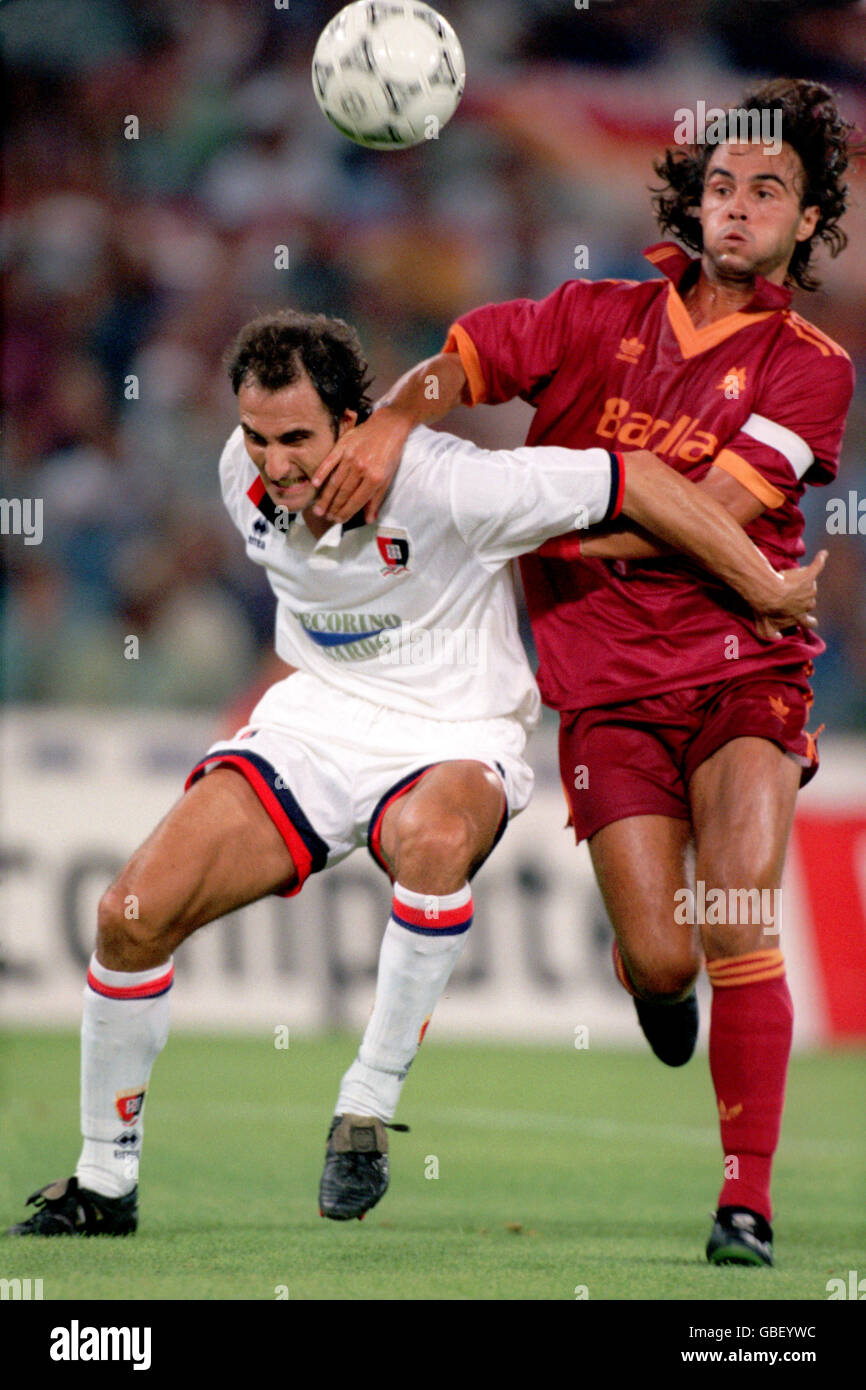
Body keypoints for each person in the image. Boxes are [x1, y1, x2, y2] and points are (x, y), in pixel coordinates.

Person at [7, 308, 820, 1238]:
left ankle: (365, 1105)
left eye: (299, 440)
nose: (275, 465)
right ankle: (105, 1186)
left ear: (359, 421)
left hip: (456, 731)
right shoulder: (240, 472)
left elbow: (633, 477)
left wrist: (759, 582)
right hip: (314, 724)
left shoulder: (455, 486)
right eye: (257, 437)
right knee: (128, 917)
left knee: (433, 842)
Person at [304, 78, 856, 1265]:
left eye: (768, 192)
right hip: (602, 683)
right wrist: (402, 419)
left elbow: (699, 515)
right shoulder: (591, 313)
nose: (738, 207)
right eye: (720, 186)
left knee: (738, 914)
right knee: (660, 956)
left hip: (739, 662)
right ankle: (650, 985)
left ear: (806, 224)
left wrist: (501, 518)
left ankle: (742, 1202)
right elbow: (462, 358)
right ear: (691, 203)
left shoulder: (808, 366)